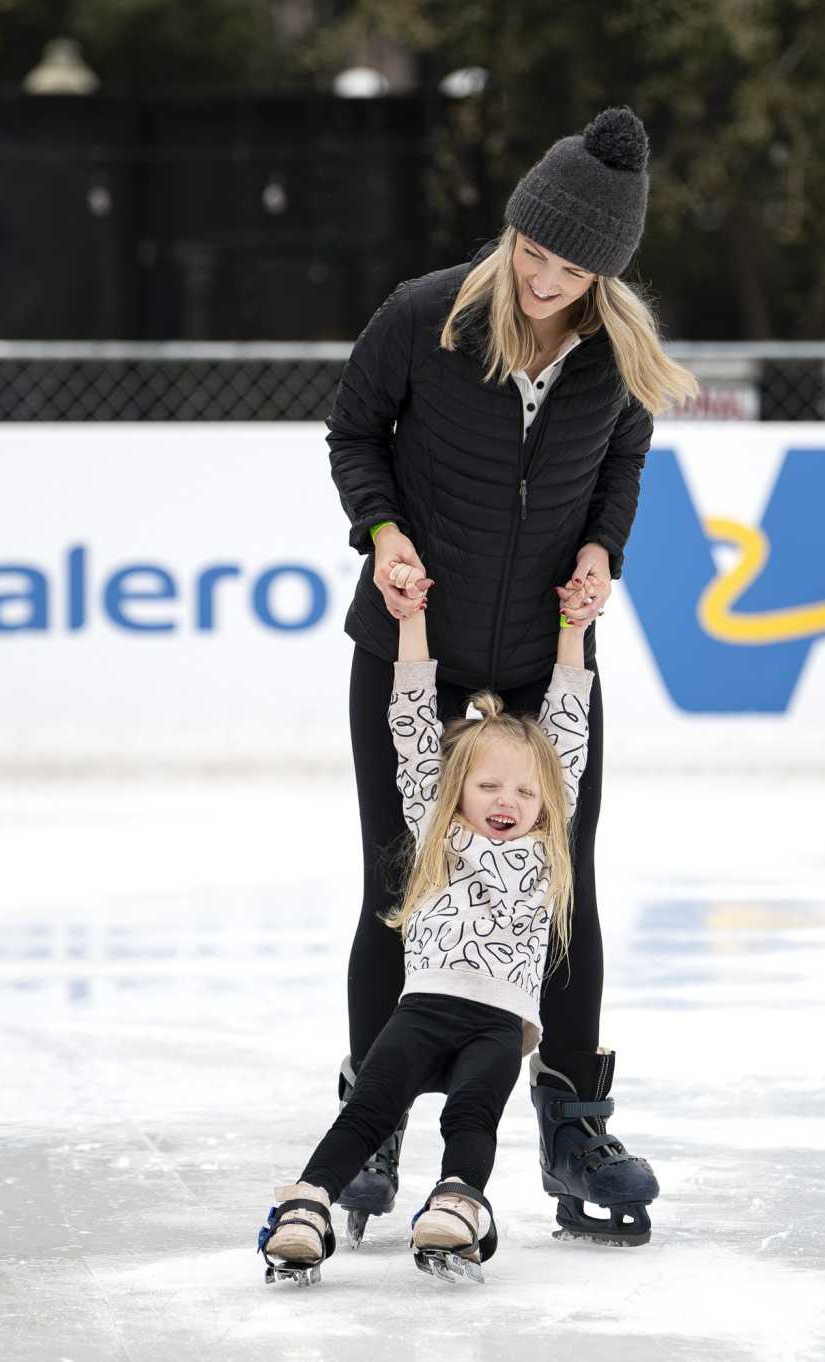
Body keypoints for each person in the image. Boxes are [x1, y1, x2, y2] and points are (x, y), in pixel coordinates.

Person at [325, 105, 697, 1248]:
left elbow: (622, 461)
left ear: (605, 269)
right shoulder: (427, 316)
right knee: (400, 874)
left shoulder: (617, 351)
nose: (544, 279)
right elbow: (353, 434)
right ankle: (376, 1121)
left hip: (542, 663)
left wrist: (601, 552)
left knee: (559, 884)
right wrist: (382, 533)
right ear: (512, 232)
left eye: (572, 264)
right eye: (534, 251)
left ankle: (574, 1119)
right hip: (414, 649)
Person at [259, 573, 592, 1285]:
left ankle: (456, 1199)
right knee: (367, 1113)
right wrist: (411, 623)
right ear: (456, 788)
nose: (509, 802)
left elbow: (567, 720)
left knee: (472, 1119)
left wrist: (575, 629)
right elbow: (412, 717)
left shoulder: (545, 845)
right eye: (490, 787)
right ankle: (307, 1205)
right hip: (423, 1010)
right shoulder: (434, 829)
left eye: (526, 791)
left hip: (499, 1025)